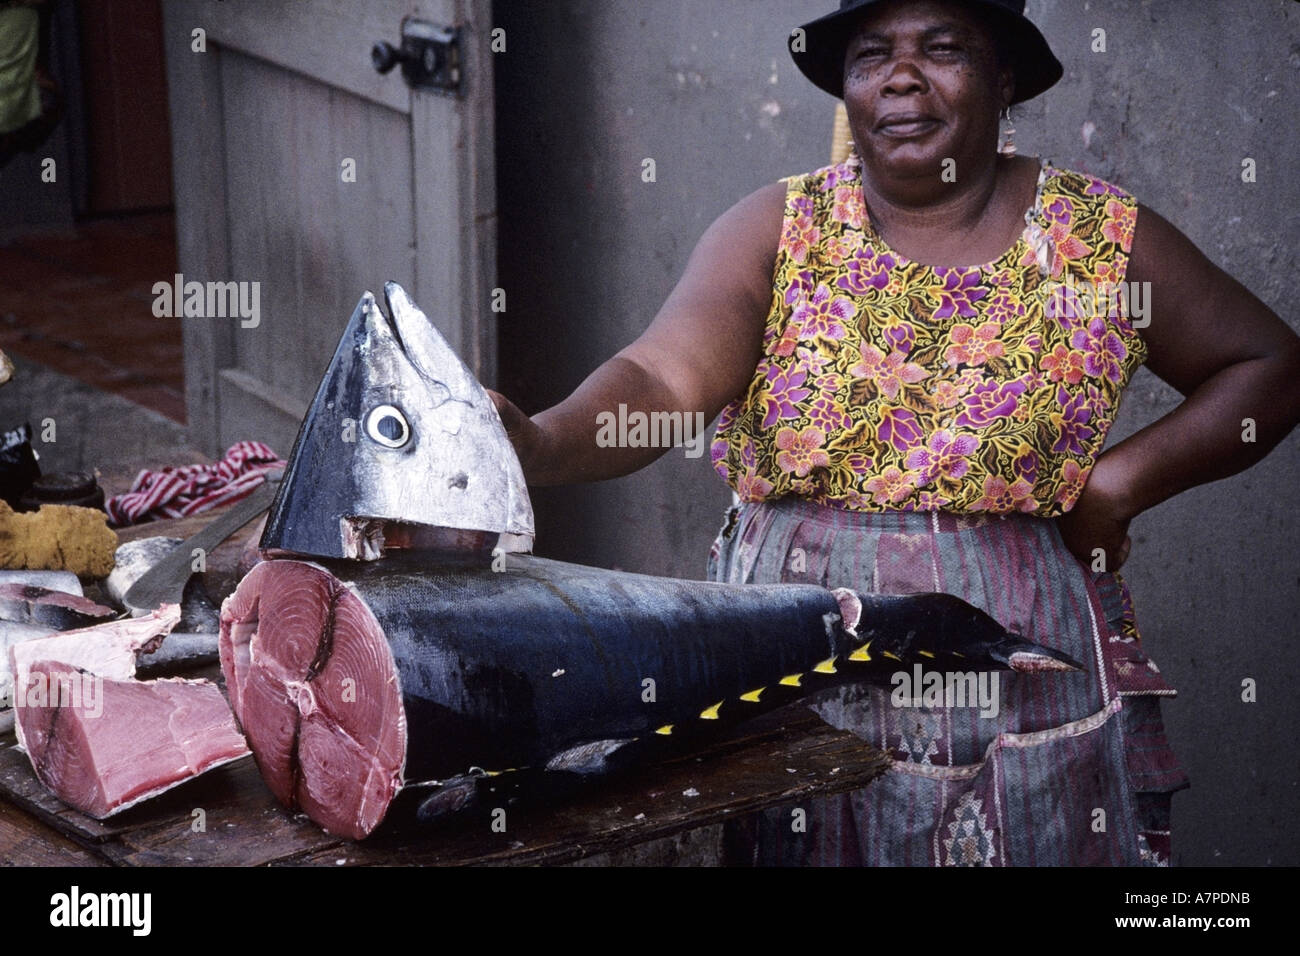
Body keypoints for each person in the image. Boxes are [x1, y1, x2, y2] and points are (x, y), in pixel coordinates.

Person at [488, 0, 1300, 865]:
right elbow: (664, 380)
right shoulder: (781, 229)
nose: (902, 76)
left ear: (1005, 77)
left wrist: (1119, 483)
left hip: (1015, 677)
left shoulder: (1094, 239)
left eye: (943, 48)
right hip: (797, 661)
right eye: (873, 55)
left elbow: (1268, 366)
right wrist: (541, 442)